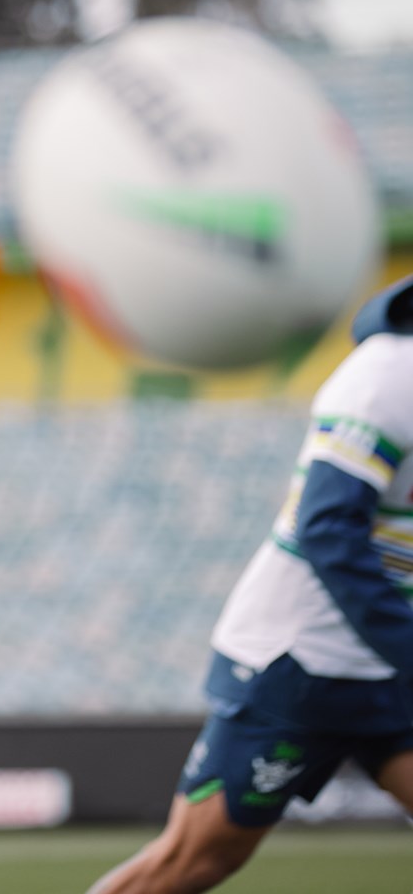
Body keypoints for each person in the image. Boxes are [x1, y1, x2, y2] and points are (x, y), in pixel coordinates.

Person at [87, 274, 413, 894]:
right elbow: (328, 531)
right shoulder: (391, 376)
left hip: (392, 672)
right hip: (301, 662)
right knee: (193, 862)